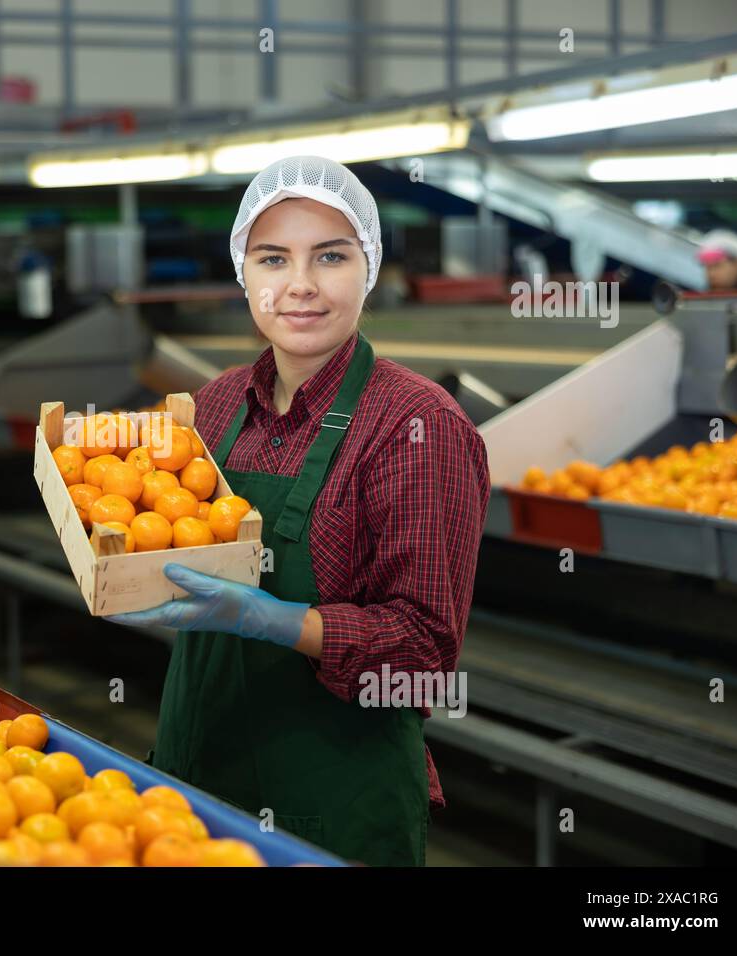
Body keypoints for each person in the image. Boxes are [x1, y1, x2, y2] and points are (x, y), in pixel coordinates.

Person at [112, 156, 490, 866]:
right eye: (273, 258)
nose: (300, 286)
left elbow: (424, 655)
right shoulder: (216, 405)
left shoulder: (417, 425)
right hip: (197, 769)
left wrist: (274, 620)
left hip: (335, 799)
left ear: (369, 268)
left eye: (331, 257)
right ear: (244, 273)